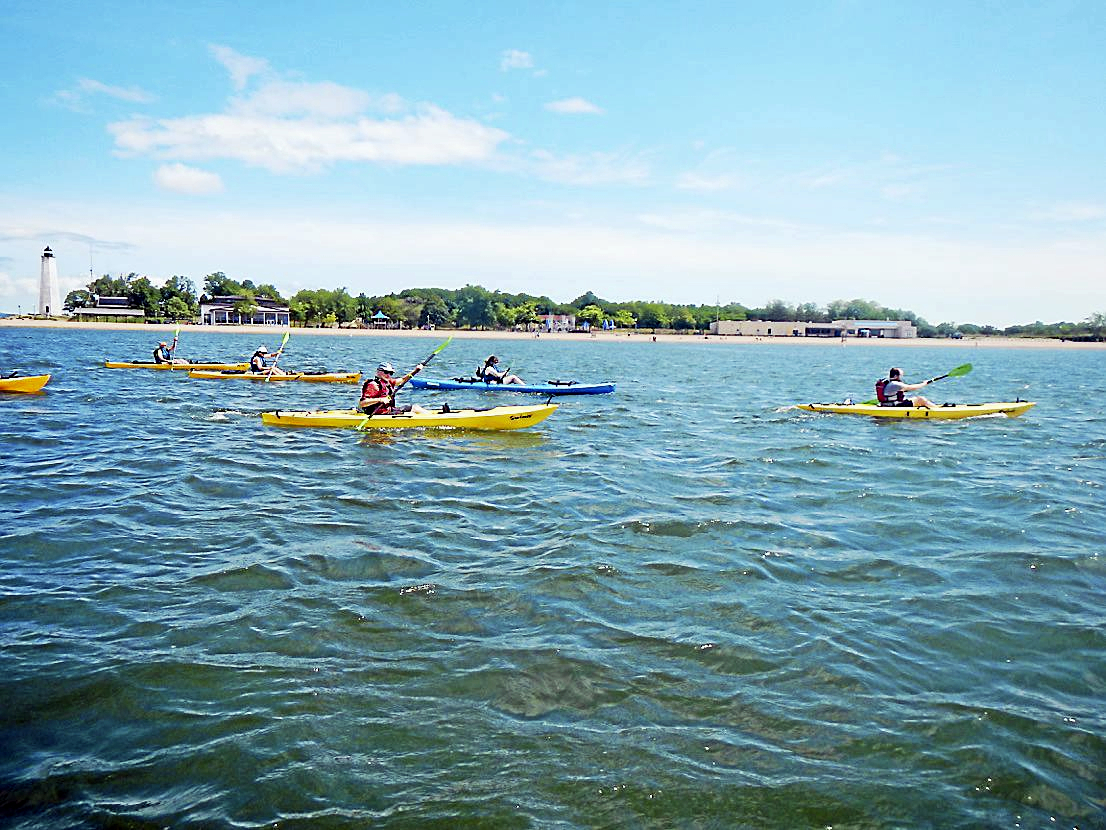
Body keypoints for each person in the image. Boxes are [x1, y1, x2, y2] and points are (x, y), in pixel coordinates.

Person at [358, 362, 429, 415]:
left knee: (415, 407)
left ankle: (432, 416)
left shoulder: (388, 382)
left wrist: (416, 371)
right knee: (414, 410)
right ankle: (433, 419)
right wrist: (381, 399)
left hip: (388, 410)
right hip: (377, 413)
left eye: (391, 373)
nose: (388, 375)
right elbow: (362, 403)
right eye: (386, 372)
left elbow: (403, 380)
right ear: (378, 372)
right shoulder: (373, 385)